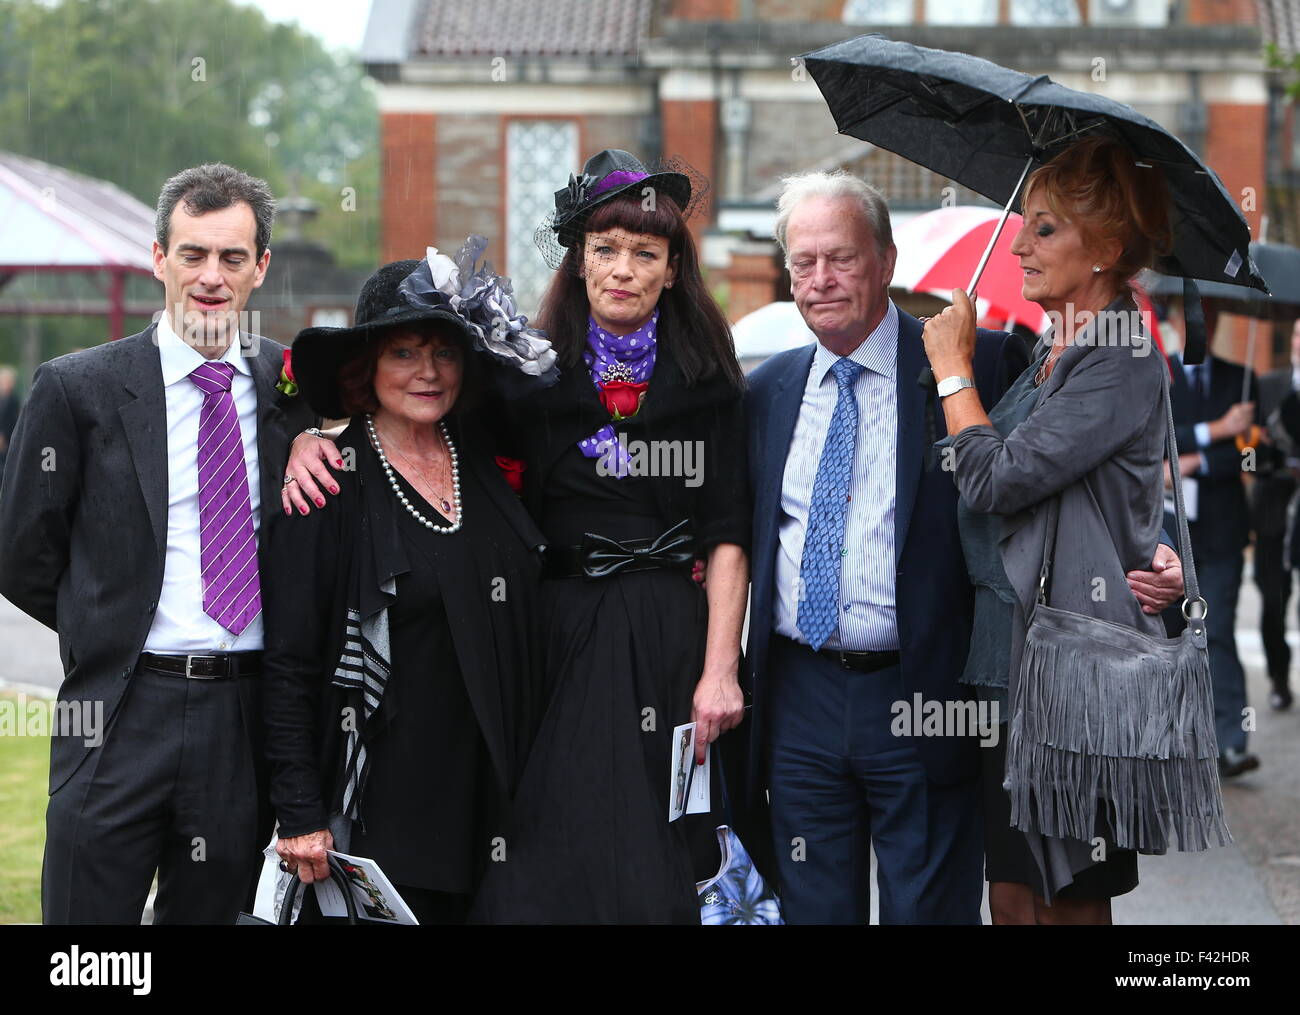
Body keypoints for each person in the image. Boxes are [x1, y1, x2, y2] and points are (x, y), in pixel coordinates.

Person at [282, 150, 751, 924]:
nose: (623, 269)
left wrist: (720, 671)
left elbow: (729, 534)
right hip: (555, 637)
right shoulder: (528, 379)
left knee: (660, 863)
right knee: (544, 861)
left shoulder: (711, 383)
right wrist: (313, 433)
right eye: (605, 249)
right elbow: (407, 407)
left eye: (645, 253)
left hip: (675, 641)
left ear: (673, 270)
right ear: (579, 261)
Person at [0, 163, 316, 923]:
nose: (211, 276)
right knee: (87, 951)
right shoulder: (77, 389)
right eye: (193, 254)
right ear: (159, 258)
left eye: (232, 257)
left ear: (260, 267)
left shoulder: (291, 385)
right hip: (116, 710)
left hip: (240, 719)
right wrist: (107, 623)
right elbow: (20, 553)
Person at [922, 135, 1211, 923]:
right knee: (1013, 896)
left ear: (1107, 249)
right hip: (1008, 656)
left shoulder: (1118, 356)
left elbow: (995, 479)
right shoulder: (1053, 348)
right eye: (1024, 223)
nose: (1018, 243)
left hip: (1075, 669)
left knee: (1068, 903)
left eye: (1045, 228)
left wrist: (954, 371)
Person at [743, 170, 1027, 925]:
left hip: (925, 692)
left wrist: (1150, 545)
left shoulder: (976, 364)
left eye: (842, 257)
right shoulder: (766, 392)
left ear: (887, 261)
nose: (821, 279)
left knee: (928, 912)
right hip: (798, 701)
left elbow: (1054, 473)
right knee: (812, 910)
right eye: (803, 263)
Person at [262, 253, 550, 925]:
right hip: (385, 808)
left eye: (445, 352)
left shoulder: (486, 462)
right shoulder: (327, 488)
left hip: (497, 796)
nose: (428, 372)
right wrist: (300, 810)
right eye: (404, 352)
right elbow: (289, 665)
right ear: (365, 370)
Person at [1163, 299, 1262, 776]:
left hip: (1222, 531)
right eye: (1192, 313)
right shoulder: (1156, 375)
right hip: (1166, 534)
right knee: (1169, 635)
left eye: (1211, 312)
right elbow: (1156, 441)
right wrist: (1217, 430)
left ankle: (1231, 741)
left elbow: (1253, 460)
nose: (1203, 321)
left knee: (1216, 631)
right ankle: (1177, 741)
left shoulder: (1241, 379)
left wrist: (1191, 462)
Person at [1250, 318, 1300, 712]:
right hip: (1272, 514)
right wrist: (1261, 452)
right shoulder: (1267, 386)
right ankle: (1279, 678)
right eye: (1298, 334)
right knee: (1271, 604)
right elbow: (1246, 457)